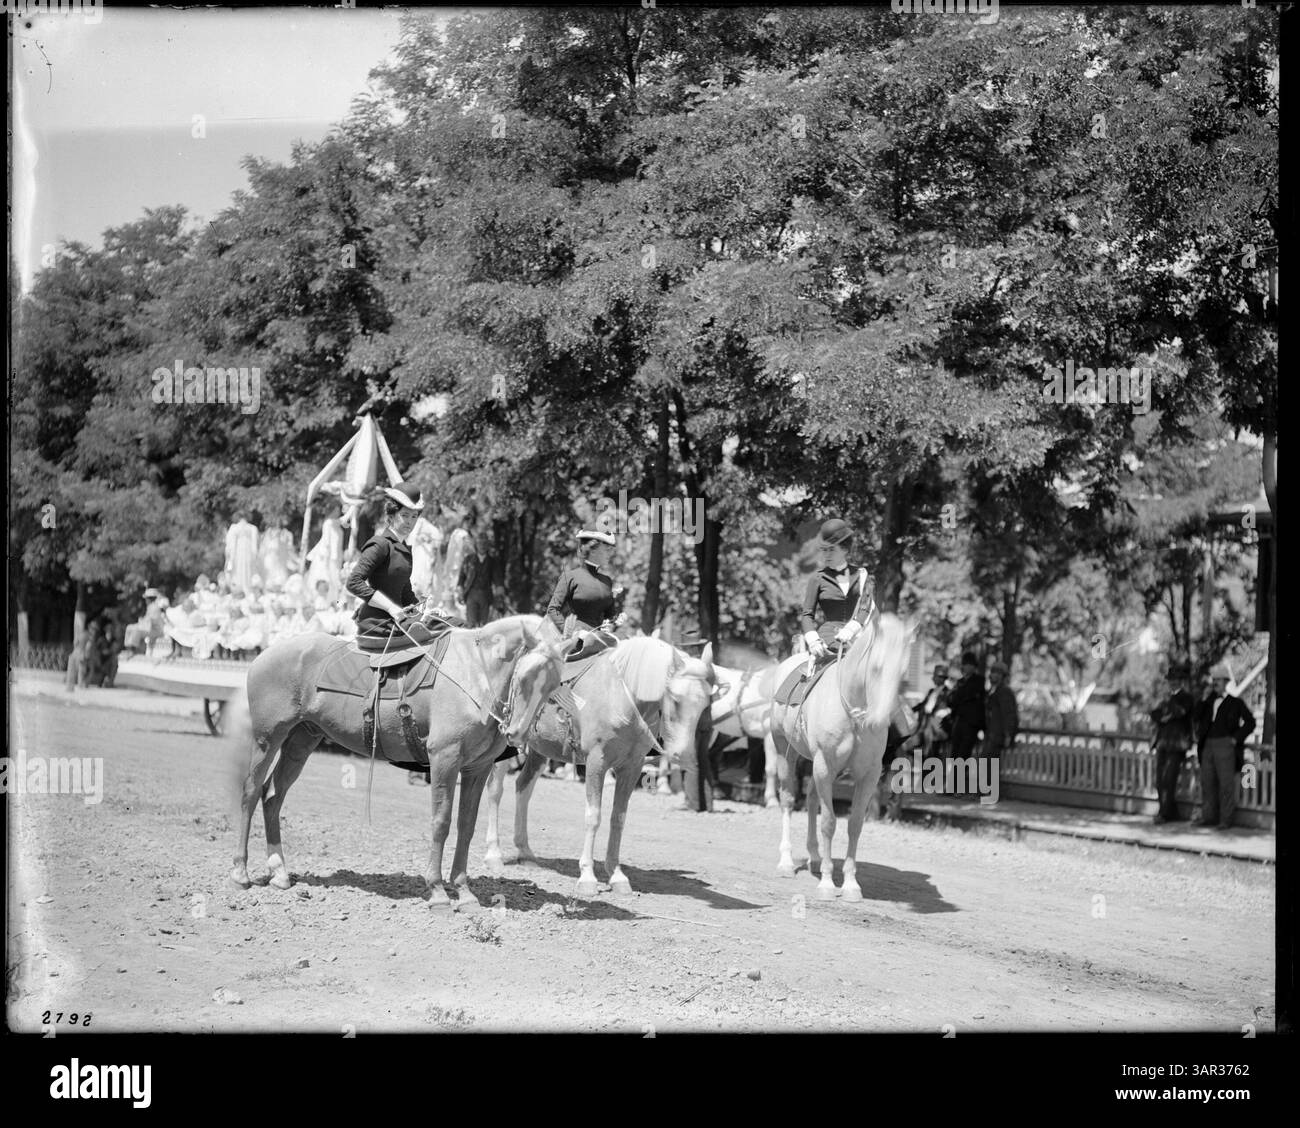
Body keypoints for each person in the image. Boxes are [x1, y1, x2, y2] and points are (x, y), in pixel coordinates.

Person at [345, 482, 450, 653]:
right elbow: (353, 582)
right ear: (392, 515)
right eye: (405, 515)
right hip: (379, 623)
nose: (410, 522)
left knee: (451, 624)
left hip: (400, 620)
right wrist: (390, 607)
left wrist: (426, 612)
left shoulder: (403, 547)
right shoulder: (380, 544)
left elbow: (405, 592)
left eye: (414, 516)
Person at [799, 518, 875, 663]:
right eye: (824, 550)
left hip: (856, 637)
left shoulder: (862, 575)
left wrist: (851, 629)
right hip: (827, 639)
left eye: (832, 550)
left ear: (845, 549)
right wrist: (813, 640)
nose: (826, 555)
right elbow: (807, 615)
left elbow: (865, 608)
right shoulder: (817, 578)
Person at [1192, 662, 1256, 830]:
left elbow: (1251, 722)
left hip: (1225, 745)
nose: (1215, 683)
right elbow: (1196, 716)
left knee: (1226, 784)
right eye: (1214, 680)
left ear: (1226, 681)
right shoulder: (1207, 701)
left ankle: (1225, 820)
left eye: (1218, 680)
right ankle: (1208, 817)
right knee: (1207, 782)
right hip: (1207, 745)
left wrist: (1236, 738)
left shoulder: (1235, 702)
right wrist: (1204, 698)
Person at [545, 521, 626, 649]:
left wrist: (615, 622)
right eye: (607, 549)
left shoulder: (607, 581)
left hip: (600, 641)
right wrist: (570, 633)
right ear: (593, 549)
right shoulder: (570, 577)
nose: (610, 554)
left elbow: (609, 616)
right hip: (576, 643)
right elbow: (552, 610)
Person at [1150, 660, 1195, 824]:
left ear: (1181, 681)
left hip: (1177, 745)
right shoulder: (1166, 698)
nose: (1173, 682)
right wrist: (1164, 716)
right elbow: (1155, 714)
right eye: (1171, 680)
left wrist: (1168, 711)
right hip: (1162, 743)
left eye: (1176, 679)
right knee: (1160, 780)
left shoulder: (1186, 698)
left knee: (1169, 779)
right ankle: (1171, 812)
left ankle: (1164, 814)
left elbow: (1180, 713)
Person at [457, 515, 495, 628]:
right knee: (471, 623)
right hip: (471, 594)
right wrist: (459, 591)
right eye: (480, 543)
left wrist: (499, 593)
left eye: (484, 543)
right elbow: (461, 578)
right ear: (476, 544)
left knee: (484, 624)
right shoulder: (469, 559)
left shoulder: (492, 561)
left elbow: (497, 578)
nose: (482, 546)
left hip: (485, 594)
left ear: (487, 545)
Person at [947, 652, 985, 761]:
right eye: (965, 664)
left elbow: (968, 695)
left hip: (971, 723)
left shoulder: (979, 680)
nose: (967, 667)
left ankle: (960, 777)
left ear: (974, 666)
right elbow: (953, 701)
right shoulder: (960, 682)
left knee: (964, 754)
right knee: (954, 753)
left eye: (970, 664)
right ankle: (954, 777)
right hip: (959, 721)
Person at [982, 660, 1018, 765]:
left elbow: (1009, 715)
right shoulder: (992, 691)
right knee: (986, 764)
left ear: (1003, 676)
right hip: (989, 734)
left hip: (997, 735)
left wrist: (1008, 734)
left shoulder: (1005, 691)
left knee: (989, 765)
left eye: (997, 673)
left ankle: (989, 782)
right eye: (992, 672)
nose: (993, 675)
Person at [914, 662, 952, 758]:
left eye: (935, 676)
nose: (933, 678)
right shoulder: (931, 691)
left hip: (937, 725)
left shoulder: (947, 692)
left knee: (928, 739)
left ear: (941, 677)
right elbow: (922, 704)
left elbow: (944, 708)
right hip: (925, 722)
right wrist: (911, 710)